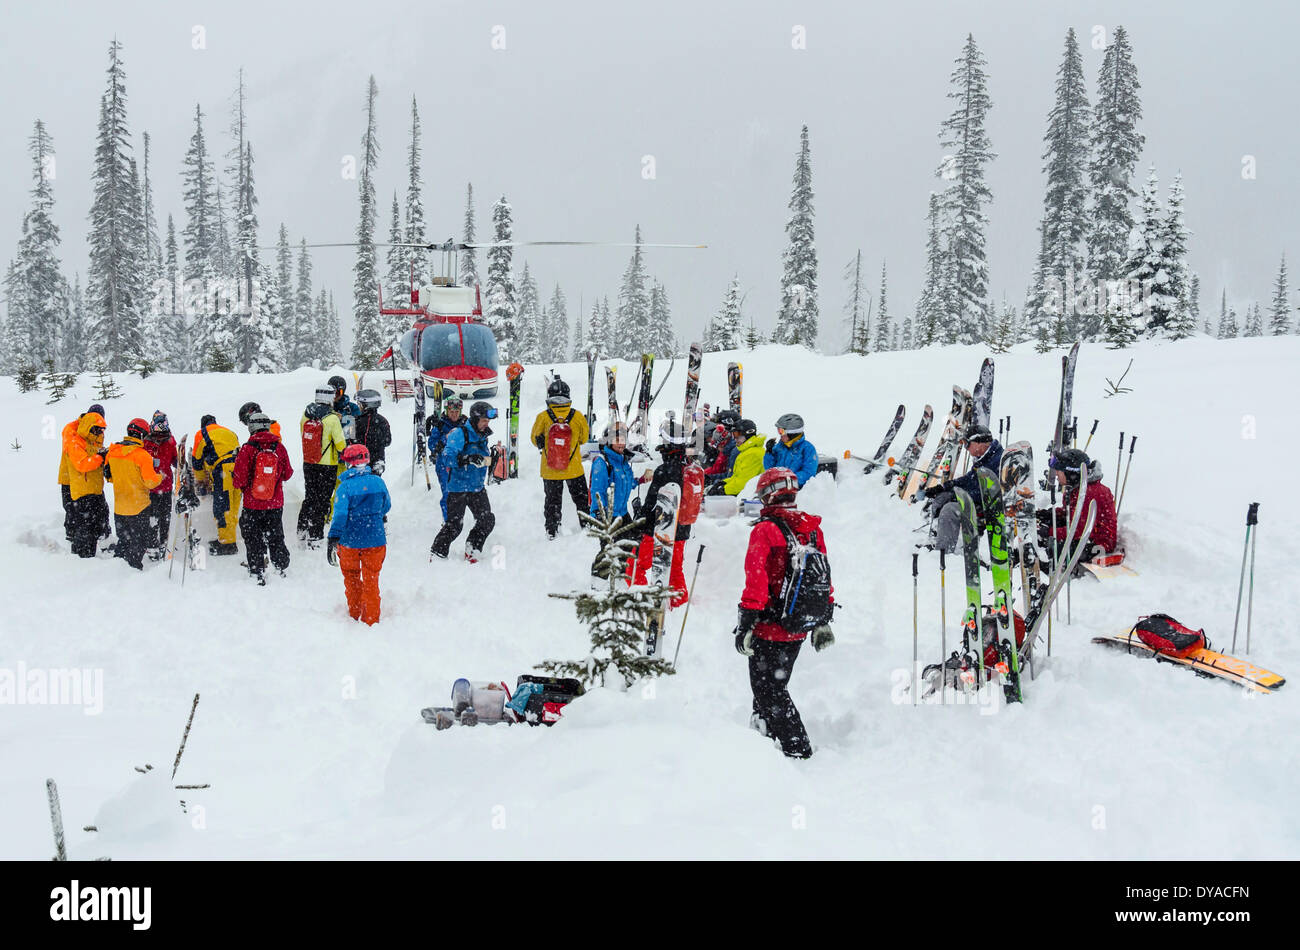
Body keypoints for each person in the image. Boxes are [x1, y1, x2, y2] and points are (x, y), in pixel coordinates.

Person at [733, 467, 835, 760]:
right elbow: (824, 576)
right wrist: (822, 619)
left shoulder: (765, 530)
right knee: (772, 685)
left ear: (767, 496)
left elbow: (756, 579)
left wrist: (747, 622)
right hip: (798, 624)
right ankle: (763, 734)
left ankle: (797, 749)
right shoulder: (812, 530)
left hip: (769, 625)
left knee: (769, 691)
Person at [625, 419, 690, 604]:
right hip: (682, 529)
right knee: (675, 568)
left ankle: (639, 600)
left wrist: (639, 522)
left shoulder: (665, 471)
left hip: (659, 530)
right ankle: (678, 603)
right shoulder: (689, 468)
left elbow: (652, 504)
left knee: (636, 564)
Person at [328, 444, 391, 625]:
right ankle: (371, 619)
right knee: (372, 580)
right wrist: (373, 516)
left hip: (349, 541)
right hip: (376, 539)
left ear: (348, 463)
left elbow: (339, 515)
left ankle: (355, 615)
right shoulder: (378, 482)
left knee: (352, 577)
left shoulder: (345, 487)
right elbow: (386, 506)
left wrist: (334, 537)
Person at [231, 412, 294, 585]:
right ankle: (280, 565)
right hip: (275, 503)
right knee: (276, 535)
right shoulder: (279, 447)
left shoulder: (247, 449)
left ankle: (257, 568)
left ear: (251, 427)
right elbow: (288, 473)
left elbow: (239, 481)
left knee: (253, 538)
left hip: (252, 504)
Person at [921, 424, 1005, 555]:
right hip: (976, 502)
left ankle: (944, 552)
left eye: (967, 444)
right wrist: (945, 487)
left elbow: (985, 492)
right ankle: (936, 540)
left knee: (949, 510)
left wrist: (956, 495)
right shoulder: (984, 458)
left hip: (988, 508)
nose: (966, 448)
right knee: (941, 498)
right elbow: (969, 480)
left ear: (980, 443)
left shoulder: (997, 461)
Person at [431, 401, 498, 562]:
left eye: (488, 422)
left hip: (476, 487)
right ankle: (438, 552)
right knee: (454, 525)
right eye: (483, 421)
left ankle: (473, 547)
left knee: (487, 519)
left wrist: (491, 461)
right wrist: (466, 459)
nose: (485, 424)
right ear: (475, 420)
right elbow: (447, 457)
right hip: (458, 487)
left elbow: (480, 457)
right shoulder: (460, 434)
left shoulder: (482, 437)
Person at [530, 377, 591, 538]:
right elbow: (583, 439)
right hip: (574, 468)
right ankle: (587, 526)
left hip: (550, 469)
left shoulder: (543, 417)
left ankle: (552, 530)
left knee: (552, 502)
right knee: (581, 500)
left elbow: (534, 440)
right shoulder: (577, 416)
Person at [1037, 447, 1118, 566]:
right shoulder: (1076, 489)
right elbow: (1070, 513)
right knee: (1050, 526)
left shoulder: (1089, 493)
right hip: (1085, 536)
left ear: (1071, 473)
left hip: (1097, 545)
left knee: (1053, 549)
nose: (1057, 475)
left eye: (1059, 471)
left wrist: (1049, 532)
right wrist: (1047, 514)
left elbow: (1078, 530)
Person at [104, 418, 165, 570]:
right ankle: (132, 572)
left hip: (120, 508)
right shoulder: (142, 455)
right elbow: (150, 482)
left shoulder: (113, 452)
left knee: (124, 541)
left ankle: (117, 569)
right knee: (138, 543)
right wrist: (160, 477)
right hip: (139, 508)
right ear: (142, 435)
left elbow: (109, 477)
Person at [298, 385, 347, 547]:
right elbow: (340, 444)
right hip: (327, 465)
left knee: (310, 496)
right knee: (323, 500)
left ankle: (302, 528)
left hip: (309, 462)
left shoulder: (306, 415)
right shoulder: (332, 418)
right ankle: (316, 535)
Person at [589, 421, 637, 580]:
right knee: (608, 551)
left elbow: (627, 482)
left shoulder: (623, 461)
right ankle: (598, 583)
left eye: (624, 439)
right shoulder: (603, 462)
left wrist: (642, 480)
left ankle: (618, 579)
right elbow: (597, 491)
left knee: (627, 547)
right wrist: (600, 515)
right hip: (608, 516)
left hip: (622, 514)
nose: (621, 443)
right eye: (617, 440)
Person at [191, 414, 243, 555]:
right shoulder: (229, 431)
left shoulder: (201, 433)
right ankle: (229, 538)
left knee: (223, 508)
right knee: (233, 506)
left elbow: (196, 460)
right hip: (239, 469)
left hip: (223, 471)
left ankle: (227, 545)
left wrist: (201, 481)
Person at [58, 403, 108, 543]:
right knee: (73, 507)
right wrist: (95, 456)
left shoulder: (95, 430)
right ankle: (72, 533)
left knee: (93, 508)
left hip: (88, 477)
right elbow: (76, 454)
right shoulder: (72, 430)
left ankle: (96, 533)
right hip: (70, 475)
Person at [141, 411, 177, 558]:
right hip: (151, 487)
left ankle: (164, 542)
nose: (160, 438)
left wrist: (181, 464)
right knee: (152, 517)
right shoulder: (146, 442)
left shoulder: (170, 441)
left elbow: (175, 459)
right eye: (158, 434)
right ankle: (151, 544)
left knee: (165, 516)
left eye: (162, 434)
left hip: (166, 485)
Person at [428, 395, 466, 520]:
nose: (454, 415)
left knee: (462, 493)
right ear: (446, 411)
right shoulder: (440, 425)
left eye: (456, 412)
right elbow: (432, 445)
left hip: (461, 463)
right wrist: (446, 438)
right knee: (447, 493)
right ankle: (448, 521)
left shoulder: (465, 423)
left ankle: (458, 518)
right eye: (451, 412)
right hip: (444, 465)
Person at [763, 413, 819, 487]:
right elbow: (769, 469)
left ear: (792, 433)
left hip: (797, 490)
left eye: (781, 431)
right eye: (778, 431)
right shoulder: (779, 447)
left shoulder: (807, 449)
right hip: (778, 488)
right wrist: (769, 452)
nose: (780, 434)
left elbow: (808, 473)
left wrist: (787, 480)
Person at [714, 418, 765, 496]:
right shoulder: (745, 451)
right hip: (746, 495)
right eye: (734, 435)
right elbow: (737, 477)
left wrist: (723, 490)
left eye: (737, 435)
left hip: (751, 499)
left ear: (748, 434)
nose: (735, 439)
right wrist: (724, 482)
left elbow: (743, 483)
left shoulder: (753, 454)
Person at [355, 389, 392, 476]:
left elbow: (349, 440)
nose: (358, 407)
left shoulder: (356, 421)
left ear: (366, 406)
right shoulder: (382, 421)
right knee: (374, 486)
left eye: (360, 404)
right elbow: (388, 441)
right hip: (377, 461)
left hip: (359, 461)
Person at [328, 375, 360, 443]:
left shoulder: (352, 408)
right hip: (328, 449)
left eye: (338, 393)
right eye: (332, 392)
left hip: (346, 449)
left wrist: (342, 420)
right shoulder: (324, 408)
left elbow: (357, 430)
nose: (335, 396)